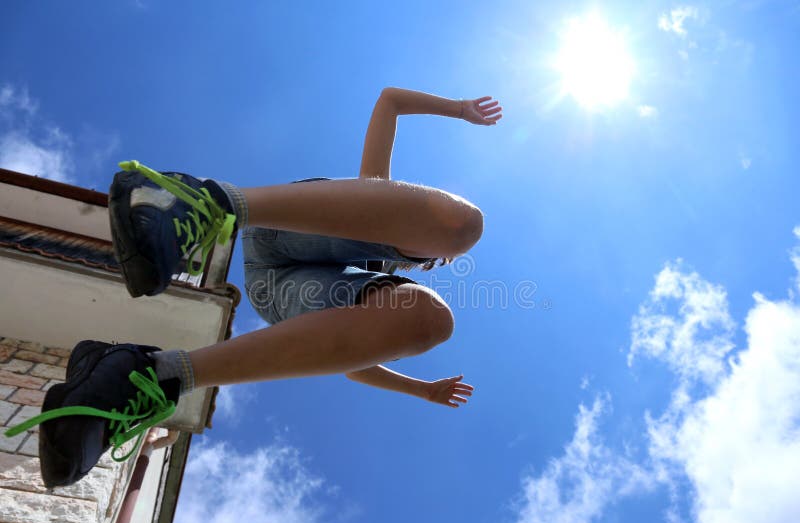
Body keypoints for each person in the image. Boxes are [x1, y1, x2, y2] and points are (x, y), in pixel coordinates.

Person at [4, 87, 503, 488]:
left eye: (426, 260)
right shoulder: (374, 209)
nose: (426, 260)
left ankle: (152, 374)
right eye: (425, 253)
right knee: (462, 226)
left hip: (277, 288)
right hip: (279, 227)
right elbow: (389, 101)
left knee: (429, 321)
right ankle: (209, 203)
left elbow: (355, 365)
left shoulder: (373, 274)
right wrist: (459, 109)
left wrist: (423, 390)